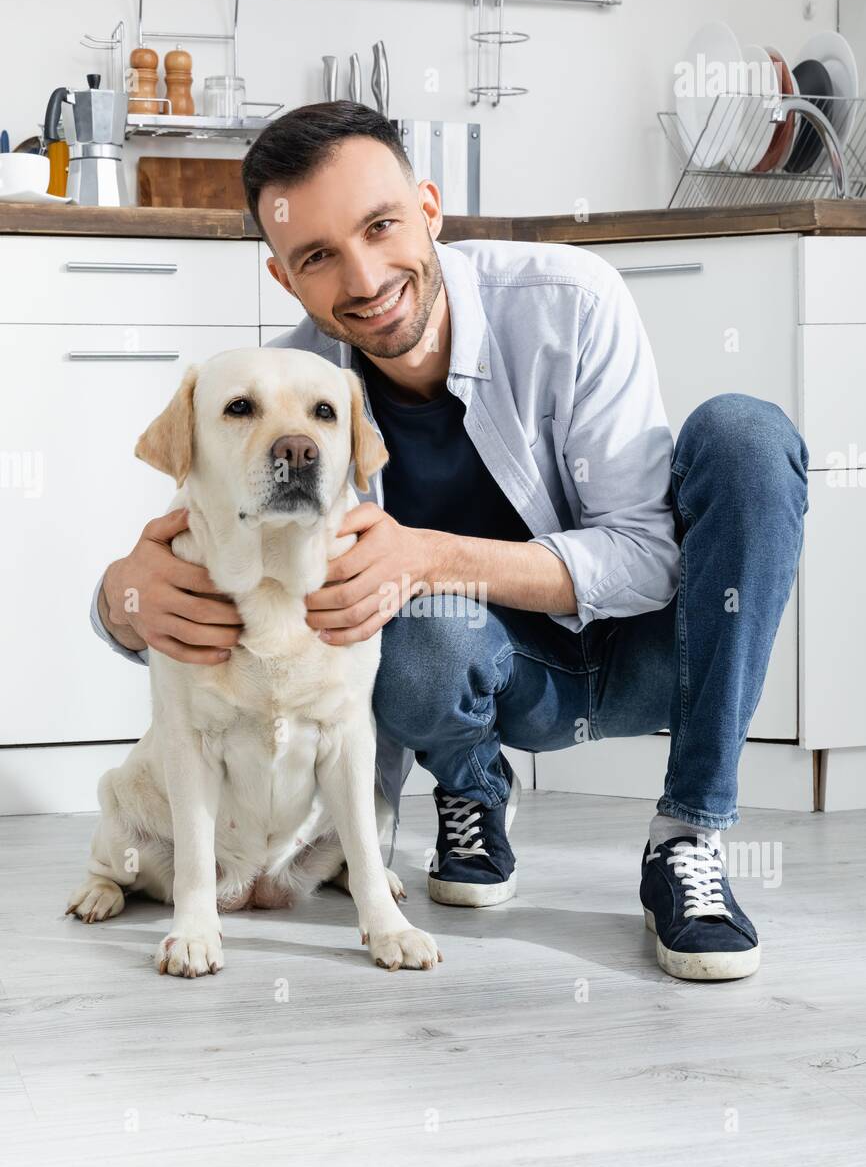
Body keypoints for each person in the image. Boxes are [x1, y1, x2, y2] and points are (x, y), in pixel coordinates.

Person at [91, 102, 809, 981]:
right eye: (317, 255)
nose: (362, 276)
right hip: (479, 670)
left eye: (381, 225)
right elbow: (232, 588)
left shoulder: (570, 301)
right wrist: (120, 600)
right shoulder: (291, 396)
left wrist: (433, 554)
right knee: (413, 622)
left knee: (746, 436)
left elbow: (653, 558)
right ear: (285, 279)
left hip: (660, 654)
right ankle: (472, 790)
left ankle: (691, 834)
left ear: (429, 209)